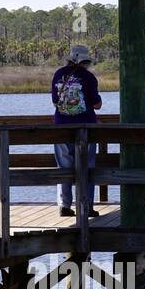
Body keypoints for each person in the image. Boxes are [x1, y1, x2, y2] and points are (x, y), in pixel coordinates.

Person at [51, 44, 101, 217]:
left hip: (61, 127)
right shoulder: (88, 77)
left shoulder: (58, 74)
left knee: (63, 166)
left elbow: (54, 100)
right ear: (85, 60)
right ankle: (86, 206)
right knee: (87, 166)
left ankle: (64, 206)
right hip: (85, 127)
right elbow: (96, 104)